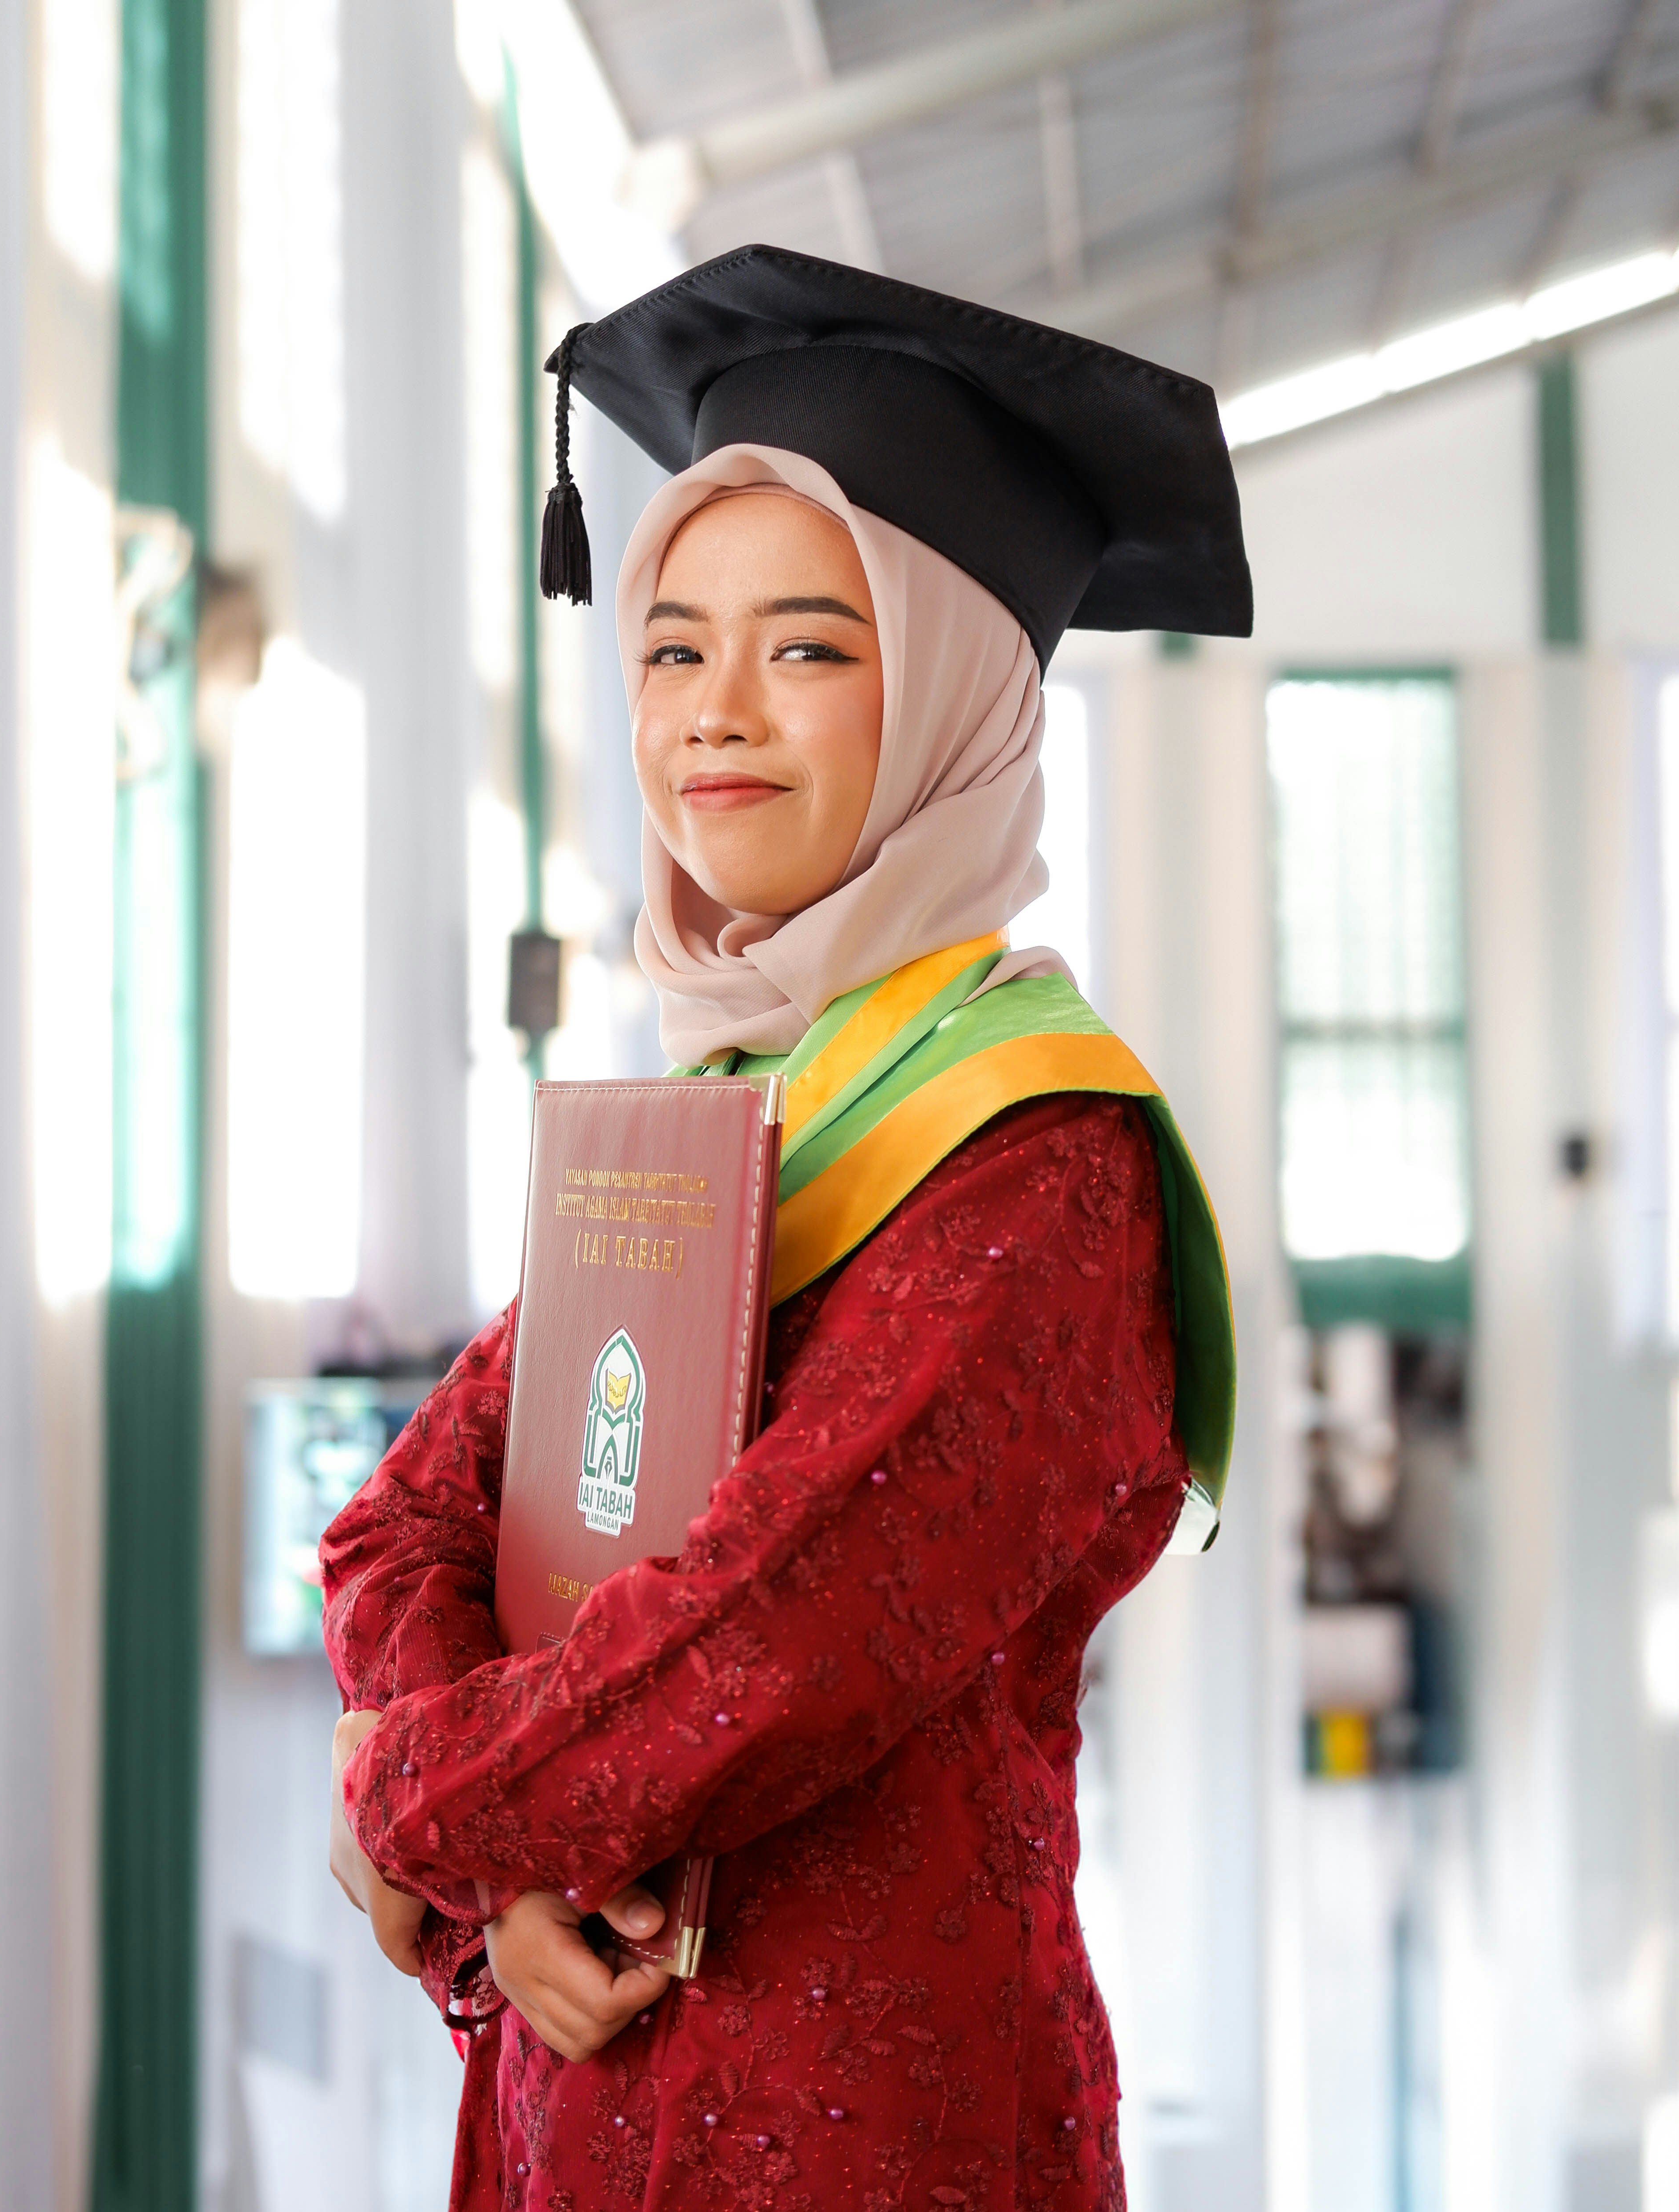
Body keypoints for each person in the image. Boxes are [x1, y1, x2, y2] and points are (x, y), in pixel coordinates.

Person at [322, 246, 1250, 2211]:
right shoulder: (717, 1116)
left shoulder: (1036, 1157)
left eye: (811, 650)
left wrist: (404, 1797)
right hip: (580, 2112)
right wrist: (489, 1870)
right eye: (672, 650)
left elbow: (755, 1652)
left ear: (957, 698)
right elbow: (402, 1521)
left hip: (870, 2127)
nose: (714, 718)